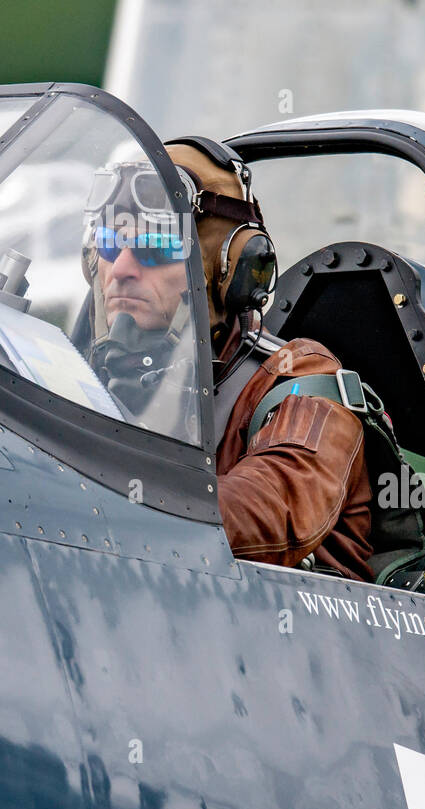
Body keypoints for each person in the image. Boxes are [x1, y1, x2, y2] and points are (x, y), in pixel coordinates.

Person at [82, 140, 373, 582]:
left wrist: (86, 503)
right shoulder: (82, 376)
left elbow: (265, 512)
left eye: (156, 248)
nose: (120, 269)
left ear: (229, 272)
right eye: (108, 244)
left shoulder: (304, 384)